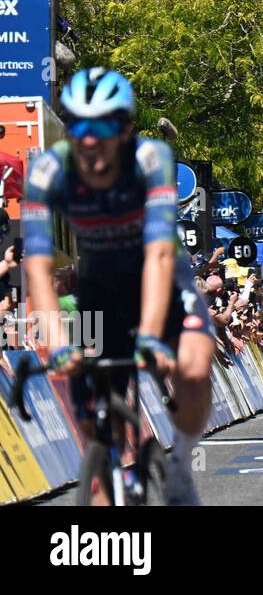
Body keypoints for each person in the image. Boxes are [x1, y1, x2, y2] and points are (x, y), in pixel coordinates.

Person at [22, 68, 215, 505]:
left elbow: (161, 254)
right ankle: (104, 472)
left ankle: (181, 466)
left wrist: (149, 334)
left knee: (194, 367)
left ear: (125, 130)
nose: (89, 139)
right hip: (100, 281)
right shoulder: (48, 168)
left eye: (103, 125)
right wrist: (56, 347)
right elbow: (37, 264)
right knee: (89, 400)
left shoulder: (151, 159)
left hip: (161, 273)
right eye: (78, 125)